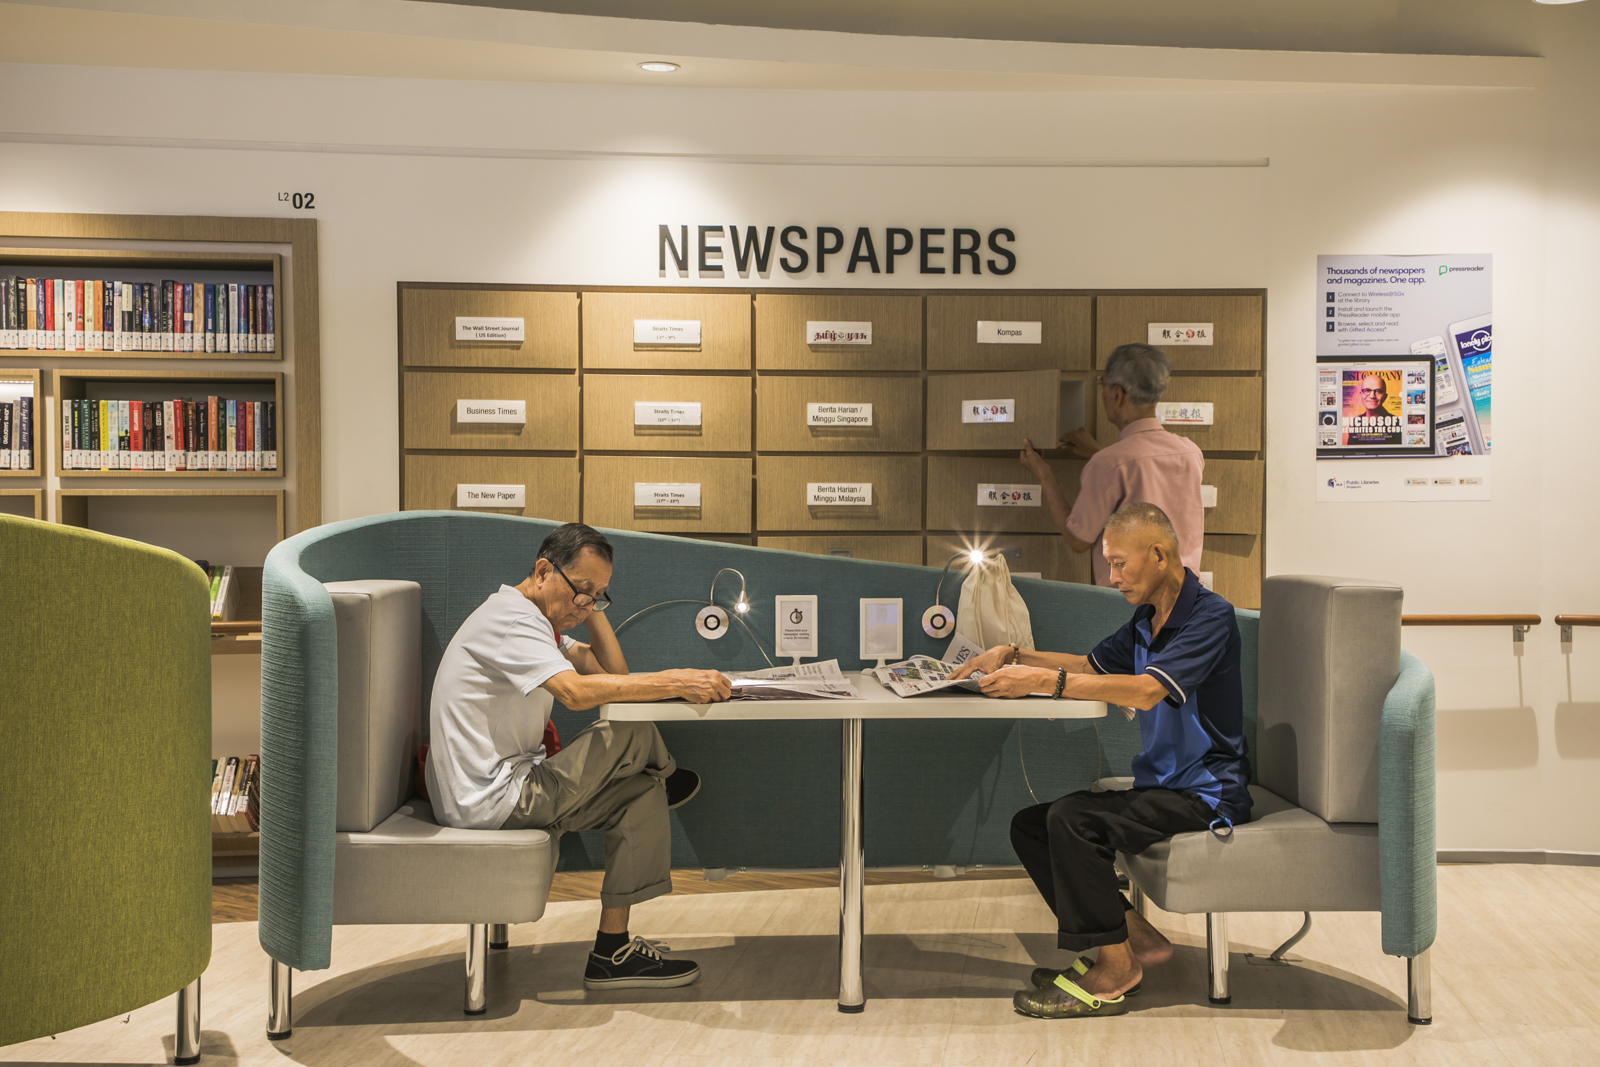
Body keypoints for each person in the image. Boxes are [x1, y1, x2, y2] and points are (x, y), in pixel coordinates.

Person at [950, 503, 1251, 1019]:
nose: (1112, 578)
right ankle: (1140, 944)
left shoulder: (1209, 616)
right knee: (1032, 826)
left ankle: (1116, 969)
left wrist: (1043, 682)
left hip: (1207, 794)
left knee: (1073, 820)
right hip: (1165, 787)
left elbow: (1147, 691)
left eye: (1119, 563)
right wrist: (1012, 655)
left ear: (1158, 554)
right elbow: (1089, 666)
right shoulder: (1147, 620)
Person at [426, 522, 732, 991]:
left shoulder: (541, 623)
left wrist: (587, 604)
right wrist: (677, 680)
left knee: (640, 795)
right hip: (493, 799)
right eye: (581, 590)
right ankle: (666, 772)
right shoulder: (514, 620)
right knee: (629, 729)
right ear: (542, 571)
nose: (585, 604)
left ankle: (612, 953)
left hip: (508, 789)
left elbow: (614, 675)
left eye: (599, 595)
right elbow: (575, 693)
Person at [1018, 342, 1204, 588]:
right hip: (1185, 599)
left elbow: (1078, 540)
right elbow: (1145, 484)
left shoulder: (1109, 463)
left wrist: (1043, 473)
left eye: (1102, 384)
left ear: (1117, 394)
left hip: (1129, 605)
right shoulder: (1190, 452)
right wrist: (1099, 454)